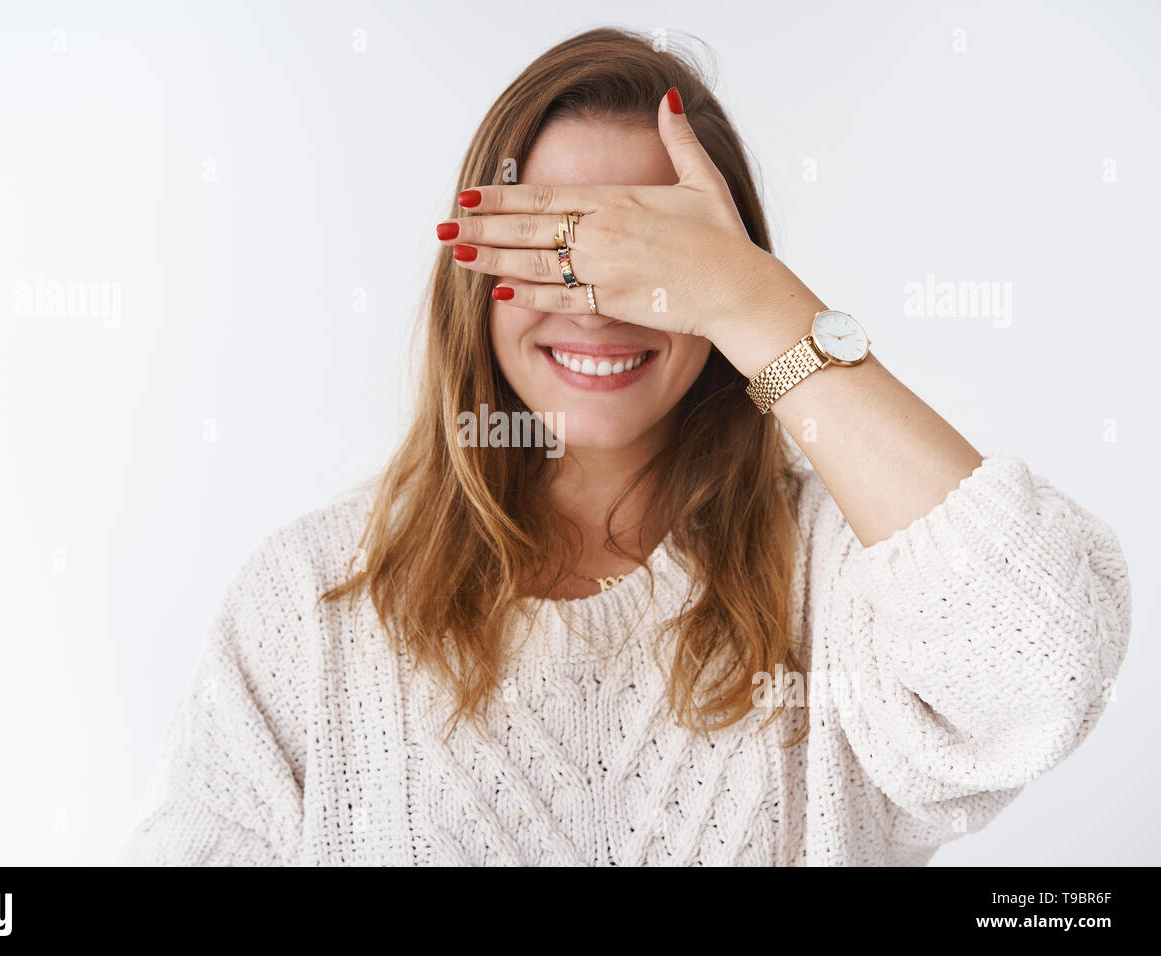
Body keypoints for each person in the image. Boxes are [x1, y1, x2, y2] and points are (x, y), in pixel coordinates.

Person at [118, 27, 1131, 866]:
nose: (596, 307)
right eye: (554, 249)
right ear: (474, 275)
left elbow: (1042, 658)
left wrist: (760, 303)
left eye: (649, 258)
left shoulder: (843, 577)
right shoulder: (311, 603)